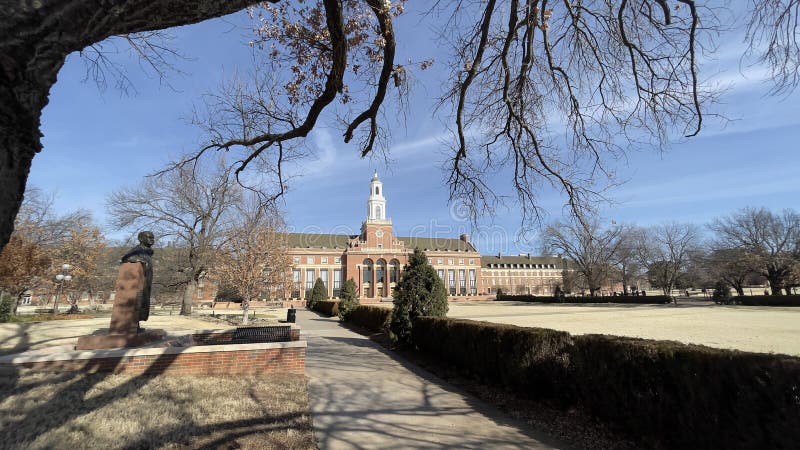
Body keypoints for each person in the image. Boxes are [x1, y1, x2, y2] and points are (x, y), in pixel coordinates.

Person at [121, 231, 155, 324]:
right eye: (149, 237)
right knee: (139, 301)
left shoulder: (148, 251)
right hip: (140, 280)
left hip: (147, 278)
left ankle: (137, 323)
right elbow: (125, 258)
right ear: (141, 239)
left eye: (153, 238)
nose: (152, 240)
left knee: (144, 301)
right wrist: (137, 259)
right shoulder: (137, 250)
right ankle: (133, 323)